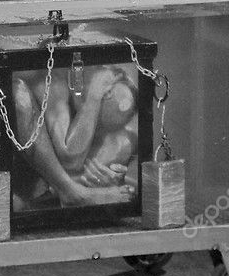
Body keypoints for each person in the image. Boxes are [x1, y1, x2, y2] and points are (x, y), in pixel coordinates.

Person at [9, 65, 138, 209]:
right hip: (26, 183)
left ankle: (72, 190)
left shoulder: (123, 138)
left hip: (54, 192)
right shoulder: (56, 82)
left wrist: (110, 178)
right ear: (106, 91)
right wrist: (93, 98)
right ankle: (70, 192)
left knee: (123, 143)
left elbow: (129, 187)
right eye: (96, 124)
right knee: (19, 94)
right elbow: (70, 158)